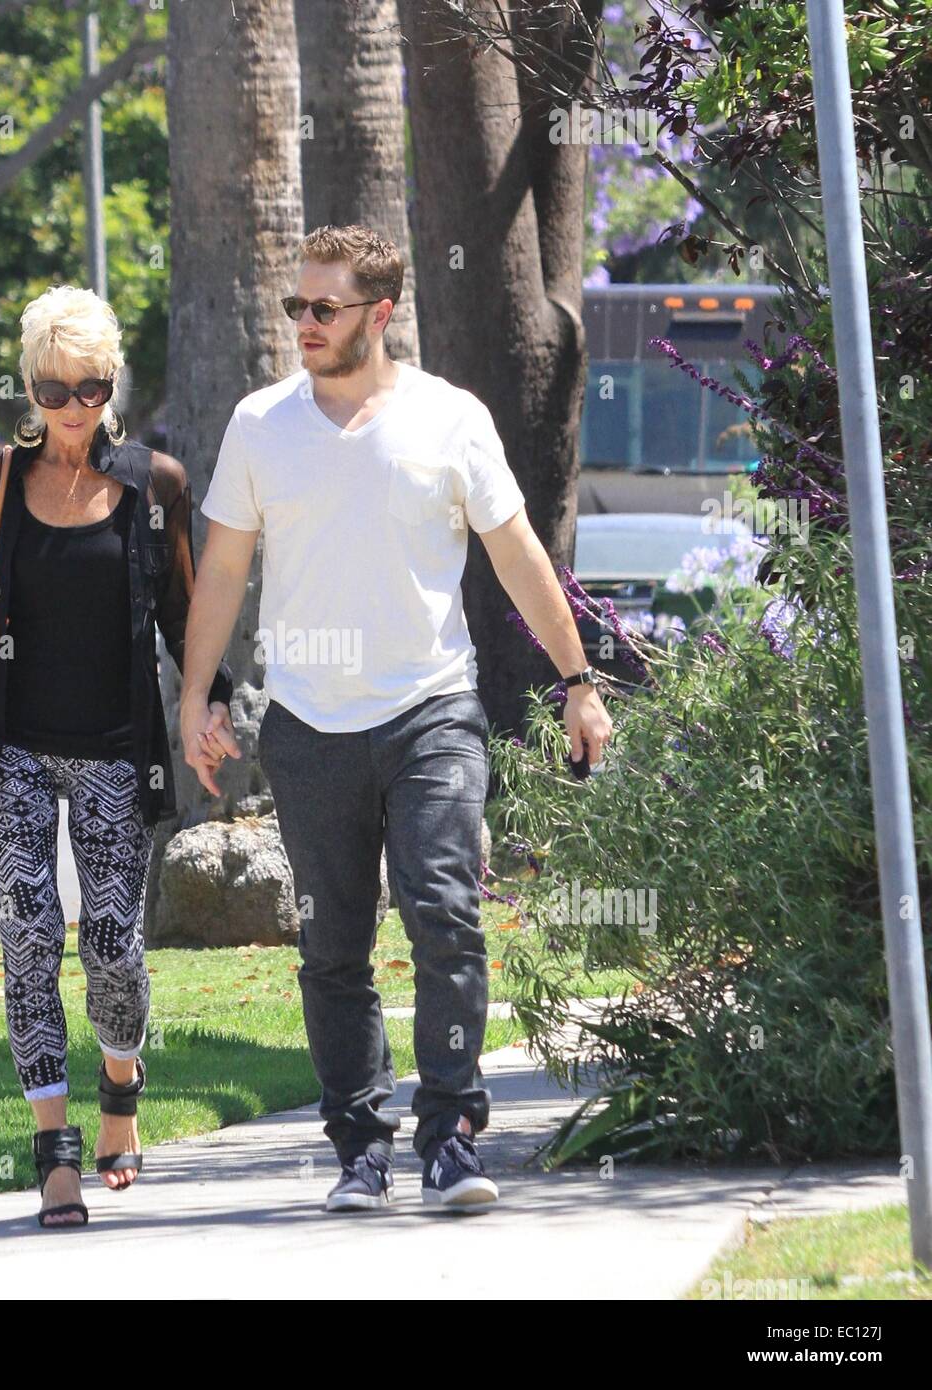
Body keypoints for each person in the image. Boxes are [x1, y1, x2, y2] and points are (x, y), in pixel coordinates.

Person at [181, 224, 613, 1212]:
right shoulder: (260, 424)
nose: (303, 324)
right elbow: (221, 571)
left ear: (378, 314)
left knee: (444, 916)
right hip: (305, 721)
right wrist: (196, 696)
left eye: (322, 308)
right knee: (331, 945)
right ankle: (357, 1149)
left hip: (429, 708)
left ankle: (452, 1135)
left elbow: (516, 558)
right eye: (296, 306)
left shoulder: (447, 419)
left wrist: (576, 678)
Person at [0, 285, 238, 1227]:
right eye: (53, 390)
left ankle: (121, 1093)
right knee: (26, 933)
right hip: (10, 750)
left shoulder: (153, 485)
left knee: (114, 948)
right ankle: (53, 1150)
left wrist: (207, 706)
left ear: (111, 385)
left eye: (89, 388)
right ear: (28, 385)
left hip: (111, 753)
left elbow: (183, 622)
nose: (71, 410)